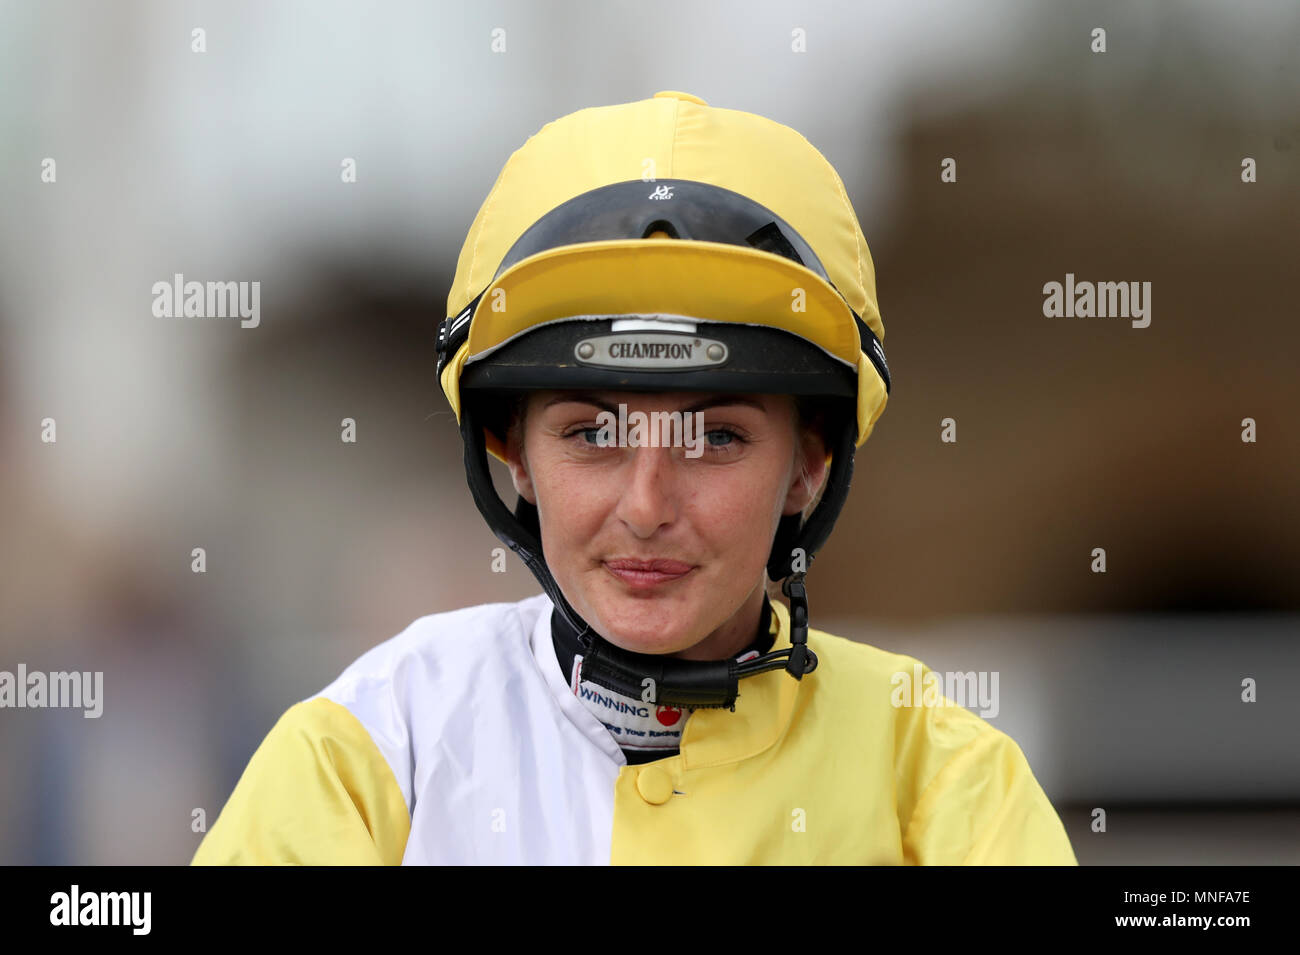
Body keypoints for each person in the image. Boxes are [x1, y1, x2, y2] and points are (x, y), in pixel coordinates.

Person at [192, 90, 1077, 865]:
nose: (648, 506)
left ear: (810, 462)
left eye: (716, 437)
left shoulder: (945, 779)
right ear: (511, 449)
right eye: (593, 432)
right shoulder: (368, 754)